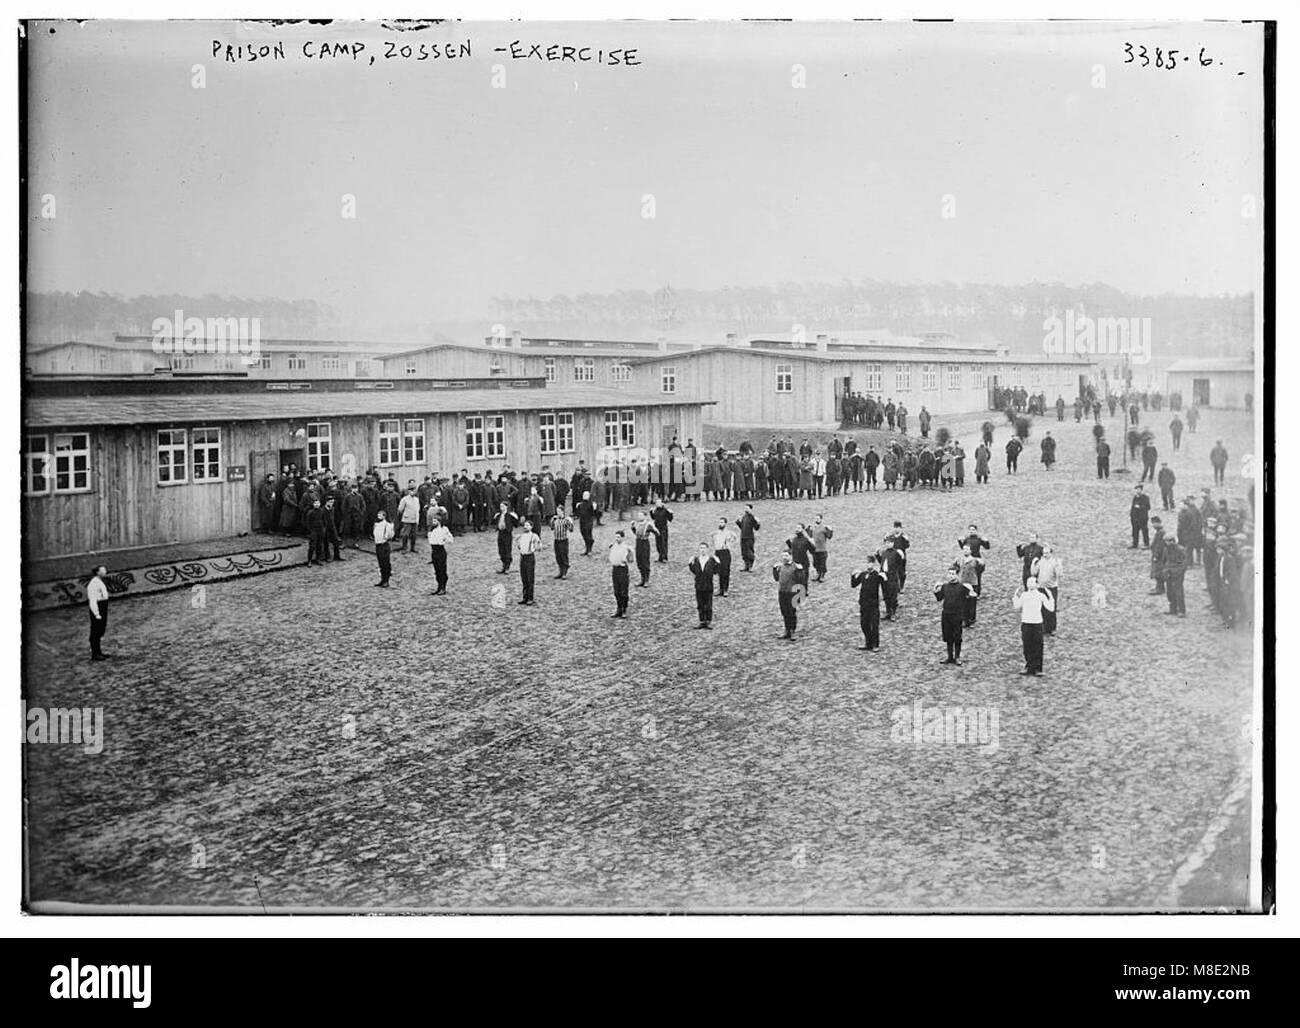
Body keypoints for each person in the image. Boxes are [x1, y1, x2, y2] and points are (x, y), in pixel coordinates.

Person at [1013, 577, 1055, 676]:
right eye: (1028, 582)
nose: (1030, 584)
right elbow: (1017, 606)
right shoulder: (1024, 595)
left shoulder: (1040, 596)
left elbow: (1050, 608)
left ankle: (1038, 668)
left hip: (1037, 623)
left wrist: (1050, 596)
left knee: (1038, 646)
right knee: (1027, 646)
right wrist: (1015, 596)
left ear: (1037, 584)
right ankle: (1029, 666)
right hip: (1026, 623)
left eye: (1032, 582)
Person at [934, 568, 974, 666]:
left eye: (953, 574)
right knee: (948, 636)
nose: (951, 576)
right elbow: (939, 598)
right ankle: (949, 657)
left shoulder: (961, 587)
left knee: (957, 636)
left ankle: (957, 657)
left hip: (957, 615)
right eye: (949, 574)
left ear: (957, 575)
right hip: (946, 614)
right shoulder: (945, 587)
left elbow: (970, 598)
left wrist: (971, 592)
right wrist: (935, 591)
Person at [850, 556, 885, 651]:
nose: (868, 564)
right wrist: (853, 576)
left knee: (874, 625)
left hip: (873, 604)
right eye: (867, 563)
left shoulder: (877, 575)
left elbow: (885, 585)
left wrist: (885, 578)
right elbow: (853, 585)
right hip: (864, 603)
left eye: (870, 563)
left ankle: (875, 644)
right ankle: (868, 643)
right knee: (864, 624)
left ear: (873, 564)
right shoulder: (863, 574)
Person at [772, 552, 808, 640]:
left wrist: (800, 570)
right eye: (783, 556)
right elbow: (776, 578)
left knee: (791, 612)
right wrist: (774, 569)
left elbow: (801, 580)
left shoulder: (796, 567)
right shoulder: (781, 567)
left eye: (786, 555)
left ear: (791, 556)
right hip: (782, 592)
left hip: (792, 593)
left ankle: (792, 631)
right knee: (784, 612)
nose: (784, 557)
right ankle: (787, 630)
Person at [688, 543, 719, 629]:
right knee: (700, 604)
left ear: (707, 549)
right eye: (701, 548)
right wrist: (690, 564)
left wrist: (718, 563)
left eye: (704, 548)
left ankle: (708, 621)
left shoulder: (711, 560)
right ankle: (702, 621)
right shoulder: (697, 560)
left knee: (708, 604)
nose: (703, 550)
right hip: (699, 586)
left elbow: (716, 571)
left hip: (708, 586)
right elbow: (694, 571)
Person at [1033, 544, 1062, 636]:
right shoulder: (1041, 562)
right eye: (1043, 553)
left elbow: (1059, 575)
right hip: (1041, 588)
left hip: (1051, 588)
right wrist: (1034, 564)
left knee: (1051, 608)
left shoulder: (1054, 563)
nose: (1045, 555)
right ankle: (1044, 628)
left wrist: (1060, 566)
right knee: (1042, 608)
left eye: (1047, 553)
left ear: (1051, 553)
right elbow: (1034, 573)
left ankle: (1052, 628)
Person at [608, 530, 634, 618]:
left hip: (623, 569)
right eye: (616, 537)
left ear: (622, 537)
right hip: (615, 569)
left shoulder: (626, 547)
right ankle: (618, 608)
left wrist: (630, 554)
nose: (617, 539)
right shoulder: (613, 546)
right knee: (616, 590)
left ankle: (624, 609)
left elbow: (631, 559)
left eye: (618, 537)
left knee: (624, 591)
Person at [86, 565, 111, 661]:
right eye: (103, 570)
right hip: (97, 607)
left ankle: (99, 652)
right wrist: (96, 613)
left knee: (100, 629)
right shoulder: (93, 584)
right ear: (97, 572)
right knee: (95, 631)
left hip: (103, 606)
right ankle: (95, 653)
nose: (105, 571)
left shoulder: (99, 582)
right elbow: (93, 600)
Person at [516, 520, 540, 605]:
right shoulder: (521, 536)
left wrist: (535, 547)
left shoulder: (534, 536)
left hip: (530, 557)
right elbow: (519, 546)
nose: (525, 527)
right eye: (524, 525)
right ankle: (525, 597)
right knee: (524, 578)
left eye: (527, 525)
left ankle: (530, 598)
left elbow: (539, 546)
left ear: (531, 527)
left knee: (530, 578)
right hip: (522, 557)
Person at [711, 518, 737, 596]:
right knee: (719, 571)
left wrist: (729, 543)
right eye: (719, 522)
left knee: (725, 571)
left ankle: (725, 589)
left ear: (725, 523)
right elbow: (712, 538)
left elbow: (734, 538)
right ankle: (720, 589)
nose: (720, 524)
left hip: (725, 552)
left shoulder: (728, 532)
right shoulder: (716, 532)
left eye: (722, 522)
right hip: (718, 552)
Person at [631, 511, 658, 587]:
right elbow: (636, 533)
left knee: (645, 561)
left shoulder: (648, 524)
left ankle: (646, 580)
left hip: (645, 543)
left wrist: (652, 531)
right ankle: (642, 579)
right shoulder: (638, 524)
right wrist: (633, 527)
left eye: (641, 515)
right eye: (638, 516)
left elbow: (657, 532)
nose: (639, 517)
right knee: (639, 561)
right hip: (638, 543)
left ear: (645, 516)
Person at [1163, 535, 1187, 616]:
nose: (1167, 543)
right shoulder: (1166, 550)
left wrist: (1177, 572)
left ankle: (1181, 610)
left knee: (1178, 591)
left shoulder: (1180, 550)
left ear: (1173, 541)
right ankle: (1172, 609)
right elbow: (1165, 561)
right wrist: (1165, 571)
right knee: (1170, 591)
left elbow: (1183, 564)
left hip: (1178, 574)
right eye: (1166, 541)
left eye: (1169, 541)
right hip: (1169, 573)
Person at [428, 517, 453, 594]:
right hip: (434, 550)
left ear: (439, 521)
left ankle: (443, 587)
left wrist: (444, 539)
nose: (433, 522)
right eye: (433, 521)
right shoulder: (431, 530)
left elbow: (451, 539)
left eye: (435, 521)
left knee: (442, 569)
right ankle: (439, 586)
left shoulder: (444, 529)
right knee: (437, 570)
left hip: (440, 550)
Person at [495, 502, 519, 573]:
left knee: (507, 550)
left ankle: (507, 567)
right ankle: (503, 565)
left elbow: (516, 524)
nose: (501, 508)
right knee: (501, 550)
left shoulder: (510, 515)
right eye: (500, 506)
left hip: (507, 533)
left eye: (503, 506)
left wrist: (515, 517)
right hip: (500, 533)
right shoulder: (498, 515)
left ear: (506, 507)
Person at [373, 510, 395, 587]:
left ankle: (386, 580)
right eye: (378, 515)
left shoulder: (387, 525)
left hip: (384, 545)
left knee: (385, 563)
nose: (379, 517)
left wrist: (385, 538)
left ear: (384, 516)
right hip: (378, 545)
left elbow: (390, 535)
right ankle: (382, 579)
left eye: (380, 515)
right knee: (381, 564)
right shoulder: (376, 524)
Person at [550, 508, 574, 579]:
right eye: (557, 511)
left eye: (560, 511)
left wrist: (570, 522)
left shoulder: (566, 520)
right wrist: (552, 521)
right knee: (558, 556)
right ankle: (560, 571)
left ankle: (564, 572)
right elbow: (551, 527)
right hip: (556, 540)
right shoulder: (555, 519)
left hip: (563, 540)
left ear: (563, 512)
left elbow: (571, 529)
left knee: (564, 555)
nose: (558, 513)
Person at [736, 504, 761, 571]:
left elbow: (756, 528)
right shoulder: (744, 517)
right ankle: (746, 566)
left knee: (749, 552)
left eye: (747, 508)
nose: (746, 510)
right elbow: (742, 527)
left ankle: (751, 566)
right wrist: (738, 521)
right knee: (744, 553)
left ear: (750, 509)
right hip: (743, 537)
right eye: (745, 508)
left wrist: (758, 523)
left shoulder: (752, 517)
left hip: (749, 537)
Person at [810, 514, 834, 583]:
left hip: (822, 549)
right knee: (816, 562)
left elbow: (829, 536)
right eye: (815, 518)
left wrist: (831, 530)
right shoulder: (812, 528)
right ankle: (817, 574)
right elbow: (809, 536)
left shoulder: (824, 528)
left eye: (818, 518)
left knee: (822, 563)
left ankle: (822, 575)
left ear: (821, 519)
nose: (817, 520)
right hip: (815, 549)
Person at [397, 485, 421, 553]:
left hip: (415, 520)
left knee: (414, 535)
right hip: (407, 519)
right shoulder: (404, 499)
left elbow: (418, 510)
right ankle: (404, 548)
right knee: (405, 534)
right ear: (408, 491)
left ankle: (412, 548)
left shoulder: (417, 499)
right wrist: (405, 515)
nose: (413, 492)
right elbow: (400, 509)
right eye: (411, 490)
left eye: (414, 490)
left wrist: (417, 520)